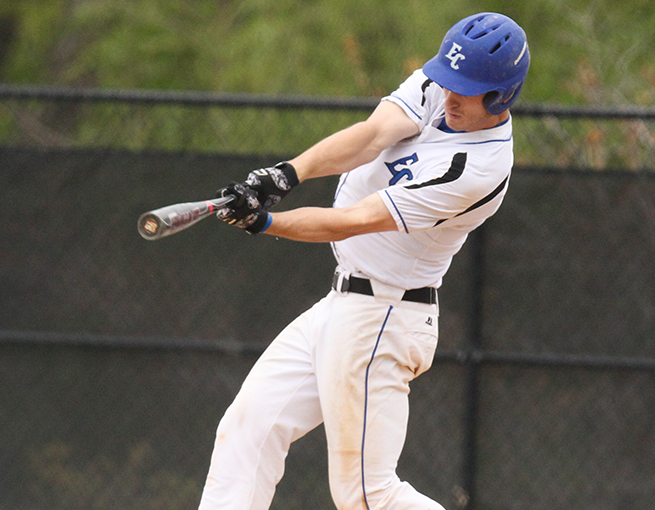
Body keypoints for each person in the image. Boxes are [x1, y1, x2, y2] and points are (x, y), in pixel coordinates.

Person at [201, 12, 529, 510]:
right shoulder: (444, 87)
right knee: (248, 429)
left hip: (384, 317)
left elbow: (353, 219)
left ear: (501, 95)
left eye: (467, 89)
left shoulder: (477, 168)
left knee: (366, 494)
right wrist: (285, 175)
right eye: (449, 79)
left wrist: (264, 223)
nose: (451, 94)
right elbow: (371, 135)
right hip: (344, 303)